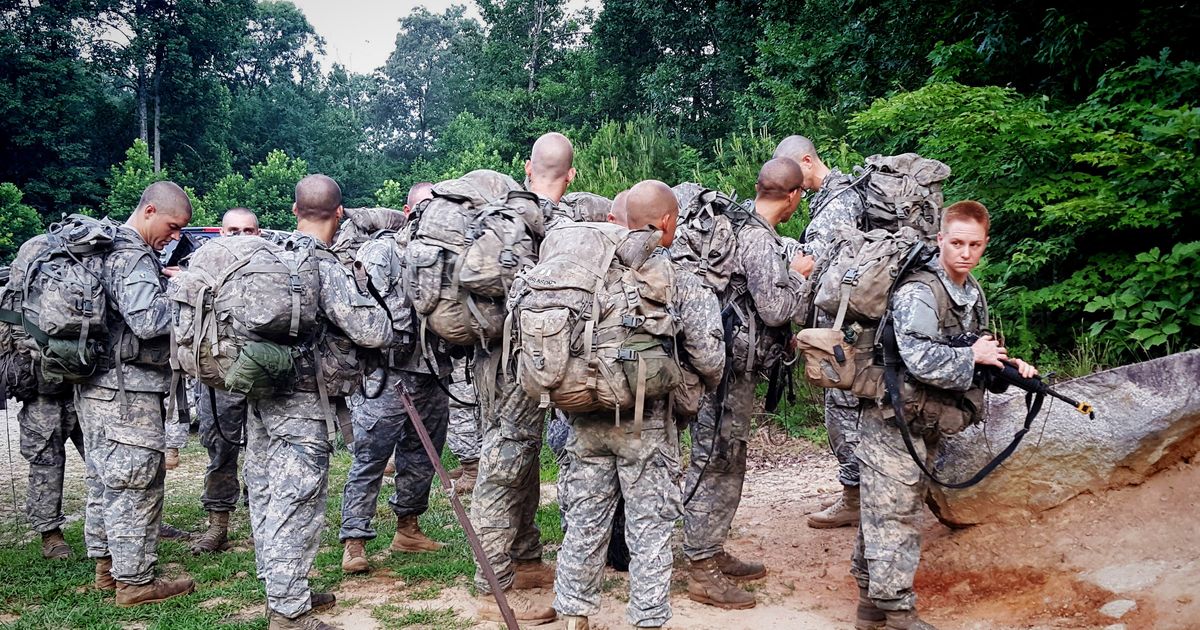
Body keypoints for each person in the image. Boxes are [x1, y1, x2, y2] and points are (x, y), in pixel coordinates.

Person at [851, 201, 1035, 630]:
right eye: (956, 243)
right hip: (891, 413)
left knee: (888, 505)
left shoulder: (970, 292)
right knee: (894, 510)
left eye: (974, 245)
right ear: (940, 240)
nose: (965, 253)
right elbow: (920, 359)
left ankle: (871, 602)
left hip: (924, 414)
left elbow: (973, 347)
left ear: (985, 244)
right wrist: (973, 356)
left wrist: (1007, 366)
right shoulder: (920, 291)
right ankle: (896, 611)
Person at [554, 181, 725, 630]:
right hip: (647, 423)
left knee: (585, 521)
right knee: (650, 530)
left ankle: (574, 614)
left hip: (585, 415)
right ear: (667, 222)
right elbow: (711, 357)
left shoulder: (587, 272)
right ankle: (648, 620)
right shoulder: (680, 279)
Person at [244, 175, 393, 630]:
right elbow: (374, 332)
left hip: (260, 388)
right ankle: (289, 613)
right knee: (298, 500)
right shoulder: (321, 265)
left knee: (268, 491)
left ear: (293, 210)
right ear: (340, 213)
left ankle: (282, 586)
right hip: (305, 399)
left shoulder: (265, 254)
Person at [682, 158, 811, 609]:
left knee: (726, 458)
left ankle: (710, 549)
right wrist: (801, 275)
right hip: (728, 372)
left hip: (729, 365)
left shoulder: (741, 224)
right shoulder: (757, 237)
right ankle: (699, 565)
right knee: (714, 459)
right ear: (794, 196)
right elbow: (776, 309)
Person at [472, 132, 575, 625]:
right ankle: (491, 579)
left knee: (519, 453)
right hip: (529, 361)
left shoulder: (500, 217)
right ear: (571, 175)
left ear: (526, 169)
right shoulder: (566, 224)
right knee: (504, 460)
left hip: (492, 357)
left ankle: (527, 556)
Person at [77, 181, 196, 605]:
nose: (174, 235)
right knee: (135, 485)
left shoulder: (107, 249)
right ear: (149, 211)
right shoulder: (131, 255)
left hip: (100, 388)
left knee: (105, 480)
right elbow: (148, 321)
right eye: (172, 225)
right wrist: (186, 295)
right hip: (128, 392)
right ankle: (135, 582)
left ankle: (107, 569)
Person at [340, 182, 452, 574]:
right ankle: (354, 540)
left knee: (423, 456)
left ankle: (409, 527)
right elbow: (362, 309)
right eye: (421, 208)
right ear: (407, 210)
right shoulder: (382, 250)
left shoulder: (447, 256)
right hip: (387, 374)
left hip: (433, 372)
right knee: (371, 457)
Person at [774, 135, 869, 529]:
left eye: (794, 174)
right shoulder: (839, 197)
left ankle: (856, 496)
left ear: (808, 161)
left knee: (842, 410)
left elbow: (812, 262)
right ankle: (863, 492)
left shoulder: (838, 202)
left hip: (848, 327)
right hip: (849, 321)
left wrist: (773, 244)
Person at [190, 208, 261, 555]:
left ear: (259, 233)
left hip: (262, 375)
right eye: (233, 230)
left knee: (266, 452)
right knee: (220, 449)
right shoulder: (202, 267)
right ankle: (218, 524)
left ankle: (266, 522)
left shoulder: (269, 268)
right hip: (219, 375)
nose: (240, 236)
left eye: (248, 230)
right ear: (220, 232)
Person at [6, 242, 84, 560]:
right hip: (42, 393)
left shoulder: (81, 285)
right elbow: (14, 337)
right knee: (46, 463)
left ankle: (121, 521)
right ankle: (50, 533)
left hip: (84, 388)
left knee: (104, 459)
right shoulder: (18, 295)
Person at [445, 356, 480, 495]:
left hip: (460, 362)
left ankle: (472, 469)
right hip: (471, 360)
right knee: (475, 409)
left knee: (458, 407)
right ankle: (476, 464)